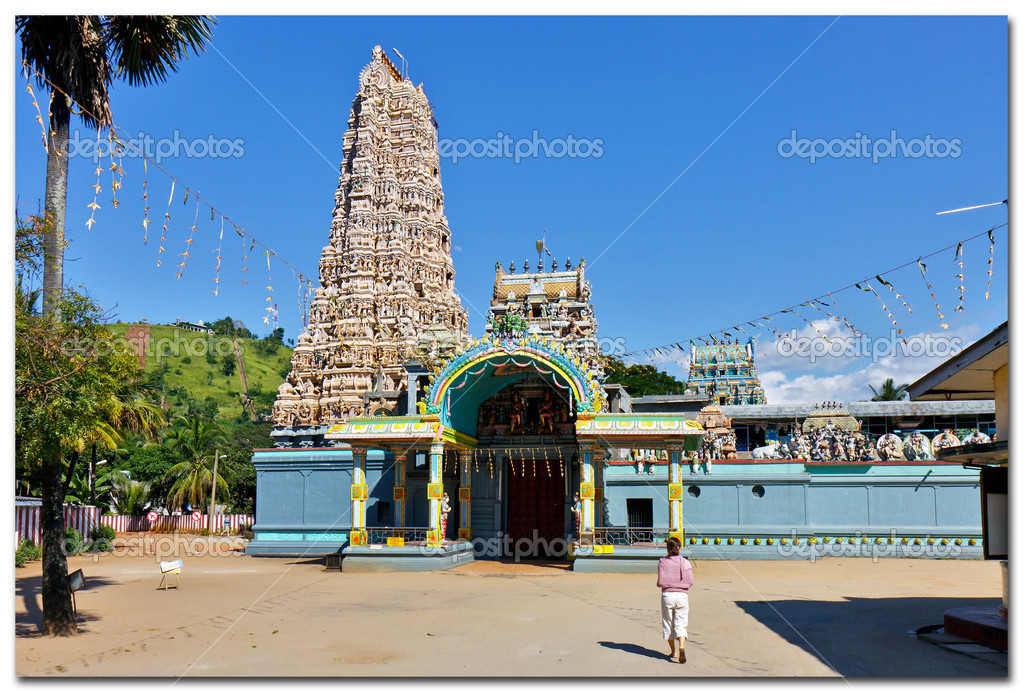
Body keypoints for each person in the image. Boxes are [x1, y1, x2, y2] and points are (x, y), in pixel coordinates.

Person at [657, 536, 694, 663]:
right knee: (681, 623)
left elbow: (661, 581)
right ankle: (682, 646)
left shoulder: (662, 561)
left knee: (668, 623)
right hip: (682, 595)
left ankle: (673, 652)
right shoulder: (685, 562)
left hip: (668, 595)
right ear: (679, 548)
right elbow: (690, 581)